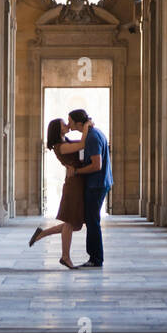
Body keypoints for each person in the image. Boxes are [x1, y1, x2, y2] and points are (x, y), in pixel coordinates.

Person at [28, 117, 94, 268]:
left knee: (74, 224)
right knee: (71, 223)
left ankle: (41, 234)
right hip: (73, 185)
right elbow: (83, 144)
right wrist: (87, 126)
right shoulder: (60, 146)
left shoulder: (66, 141)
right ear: (58, 130)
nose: (67, 125)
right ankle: (65, 257)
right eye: (63, 124)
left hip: (77, 181)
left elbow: (82, 147)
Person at [66, 108, 113, 267]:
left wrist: (77, 171)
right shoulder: (94, 133)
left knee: (92, 220)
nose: (68, 124)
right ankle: (94, 257)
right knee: (92, 219)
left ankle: (95, 258)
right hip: (99, 183)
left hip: (96, 184)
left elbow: (96, 165)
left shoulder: (92, 137)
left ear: (79, 123)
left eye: (70, 121)